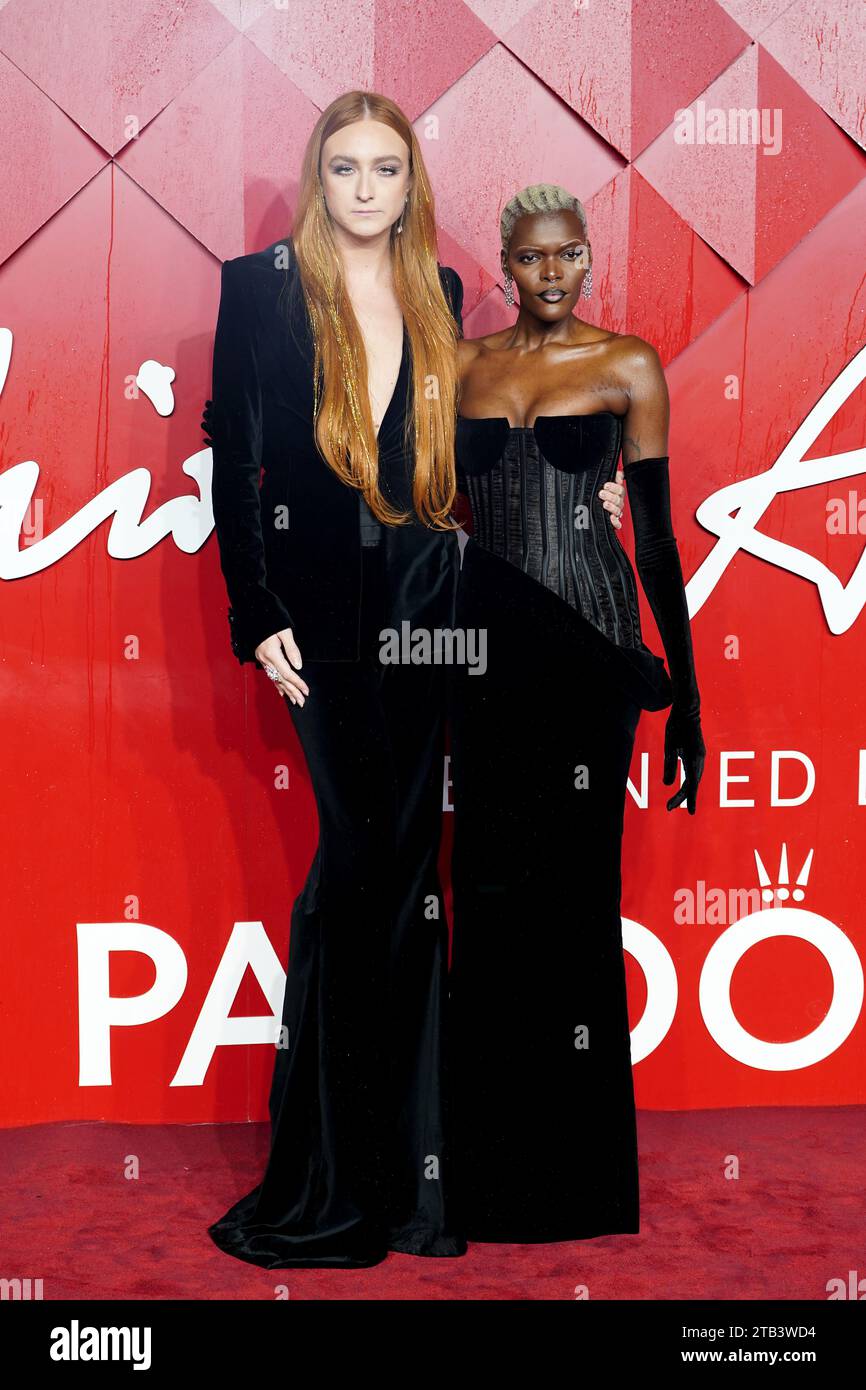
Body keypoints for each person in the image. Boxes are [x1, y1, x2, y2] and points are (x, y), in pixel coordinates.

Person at [203, 91, 471, 1269]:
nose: (366, 190)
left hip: (426, 612)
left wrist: (593, 490)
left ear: (412, 185)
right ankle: (324, 1182)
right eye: (347, 169)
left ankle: (412, 1187)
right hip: (315, 622)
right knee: (358, 873)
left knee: (409, 881)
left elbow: (466, 447)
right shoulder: (257, 287)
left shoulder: (441, 295)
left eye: (387, 171)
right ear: (320, 177)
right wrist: (252, 609)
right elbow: (234, 456)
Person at [448, 183, 706, 1243]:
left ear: (586, 258)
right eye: (529, 258)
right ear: (503, 266)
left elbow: (651, 538)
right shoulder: (459, 368)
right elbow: (424, 507)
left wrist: (686, 696)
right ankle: (481, 1184)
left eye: (566, 255)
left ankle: (578, 1187)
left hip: (588, 661)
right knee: (486, 899)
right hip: (484, 661)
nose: (548, 274)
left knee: (569, 906)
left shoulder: (625, 363)